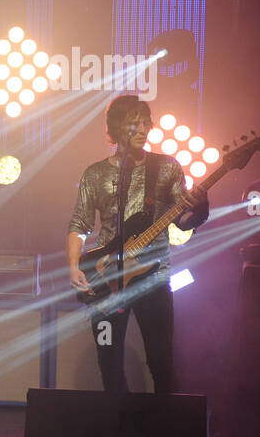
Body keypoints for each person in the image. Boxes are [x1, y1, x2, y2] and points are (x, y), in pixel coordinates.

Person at [67, 95, 209, 394]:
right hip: (105, 279)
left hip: (154, 279)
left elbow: (182, 222)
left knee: (161, 361)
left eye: (146, 122)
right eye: (135, 122)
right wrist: (73, 266)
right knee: (108, 361)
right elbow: (79, 224)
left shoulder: (167, 167)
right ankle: (121, 428)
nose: (143, 129)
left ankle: (164, 431)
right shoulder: (95, 173)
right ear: (117, 127)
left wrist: (202, 208)